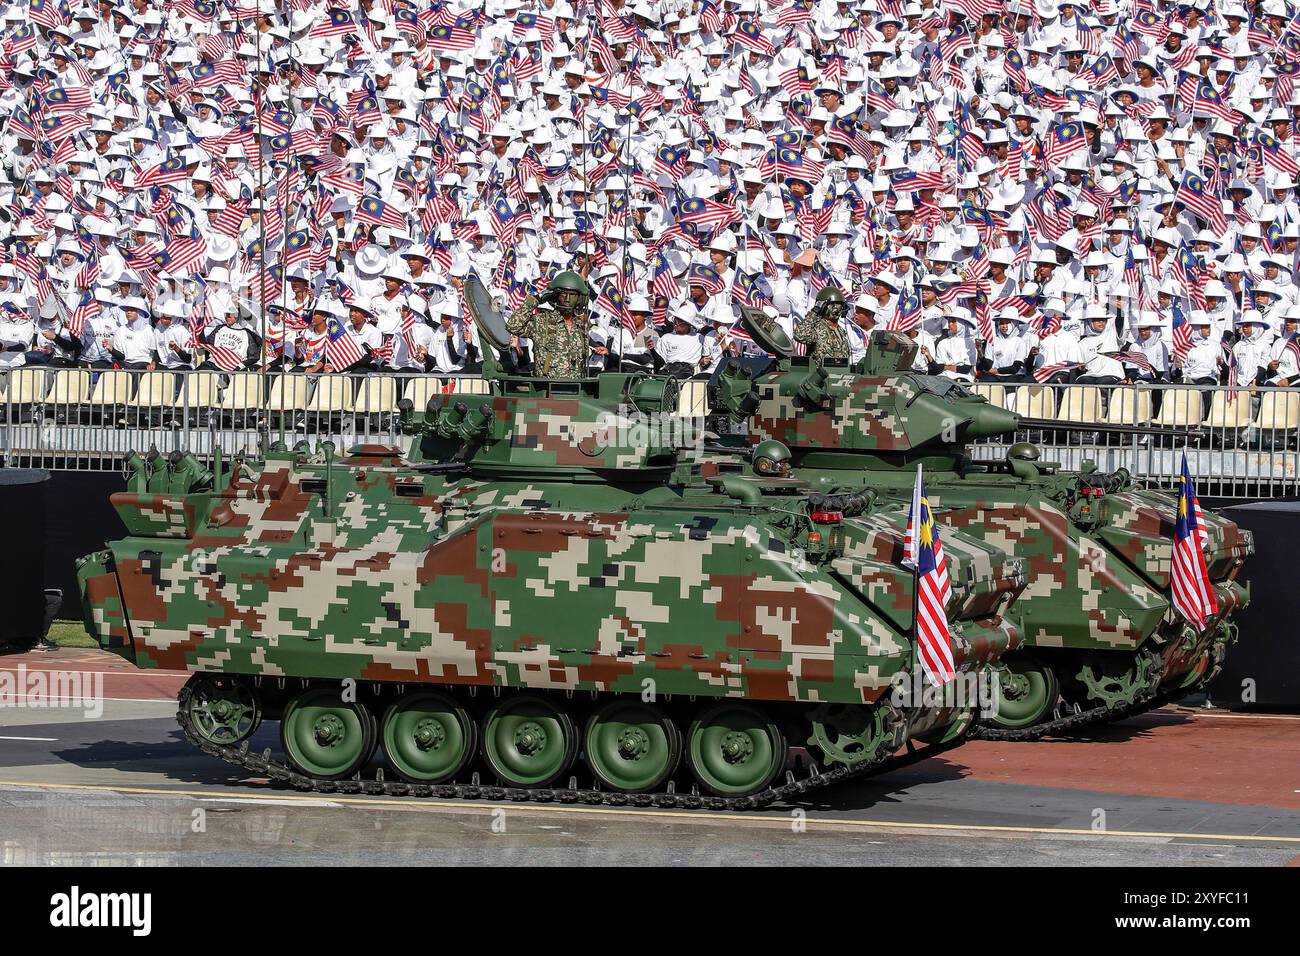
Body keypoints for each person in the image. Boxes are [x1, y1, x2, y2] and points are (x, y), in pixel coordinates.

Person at [505, 271, 591, 378]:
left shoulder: (581, 328)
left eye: (572, 294)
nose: (567, 299)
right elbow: (512, 326)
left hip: (576, 390)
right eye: (563, 294)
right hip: (546, 389)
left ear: (579, 299)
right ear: (555, 296)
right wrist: (536, 299)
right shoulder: (541, 322)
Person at [793, 287, 850, 363]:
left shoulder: (841, 331)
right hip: (819, 373)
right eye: (832, 305)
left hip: (840, 372)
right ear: (822, 307)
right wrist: (815, 312)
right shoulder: (817, 327)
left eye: (838, 304)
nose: (835, 309)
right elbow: (800, 335)